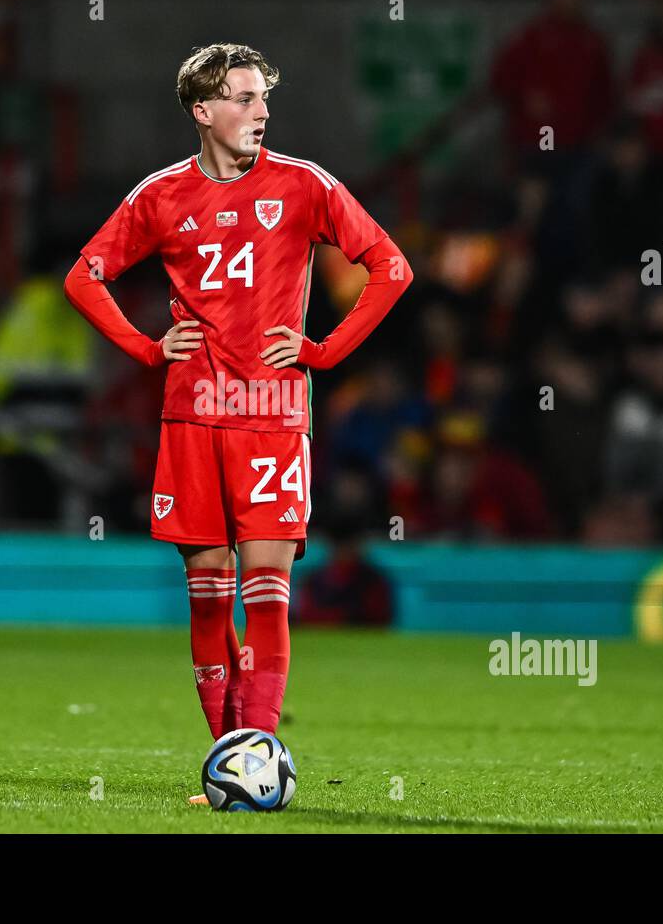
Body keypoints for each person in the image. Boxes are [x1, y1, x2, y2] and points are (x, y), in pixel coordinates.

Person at [64, 44, 414, 804]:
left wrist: (324, 351)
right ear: (203, 110)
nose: (261, 112)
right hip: (192, 414)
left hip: (271, 415)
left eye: (263, 99)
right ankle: (231, 759)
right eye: (244, 98)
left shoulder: (303, 186)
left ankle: (258, 757)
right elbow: (82, 276)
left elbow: (392, 267)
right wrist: (147, 348)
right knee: (207, 592)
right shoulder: (159, 197)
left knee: (267, 588)